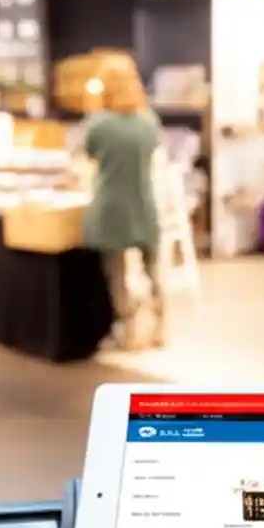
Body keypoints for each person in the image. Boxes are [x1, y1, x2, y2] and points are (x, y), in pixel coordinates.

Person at [83, 67, 164, 349]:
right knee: (152, 268)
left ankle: (128, 331)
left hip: (111, 206)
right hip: (143, 202)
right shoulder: (149, 123)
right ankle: (161, 328)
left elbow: (88, 154)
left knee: (117, 274)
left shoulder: (98, 124)